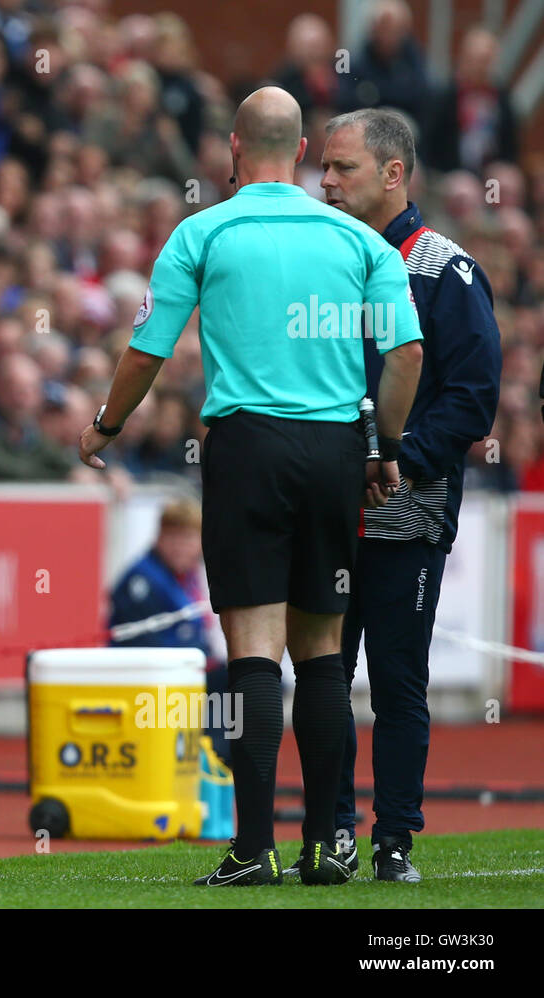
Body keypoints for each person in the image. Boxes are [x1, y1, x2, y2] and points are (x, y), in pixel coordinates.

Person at [79, 87, 424, 886]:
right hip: (336, 448)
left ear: (235, 147)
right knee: (326, 653)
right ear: (302, 152)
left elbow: (147, 350)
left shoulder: (202, 231)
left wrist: (105, 425)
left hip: (245, 449)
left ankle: (251, 851)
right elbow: (405, 354)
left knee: (253, 656)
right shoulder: (357, 238)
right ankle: (328, 847)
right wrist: (386, 449)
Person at [318, 108, 501, 881]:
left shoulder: (444, 269)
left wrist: (394, 460)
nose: (324, 181)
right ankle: (330, 837)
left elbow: (472, 397)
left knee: (395, 681)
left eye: (342, 168)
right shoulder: (321, 262)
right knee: (323, 679)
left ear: (395, 174)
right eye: (322, 167)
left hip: (404, 507)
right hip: (325, 507)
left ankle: (394, 841)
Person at [107, 497, 229, 763]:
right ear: (160, 538)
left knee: (250, 680)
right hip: (147, 684)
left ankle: (218, 762)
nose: (181, 547)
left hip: (183, 675)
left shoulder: (190, 577)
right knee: (232, 687)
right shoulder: (142, 580)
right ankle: (210, 759)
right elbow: (148, 648)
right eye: (173, 537)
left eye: (188, 538)